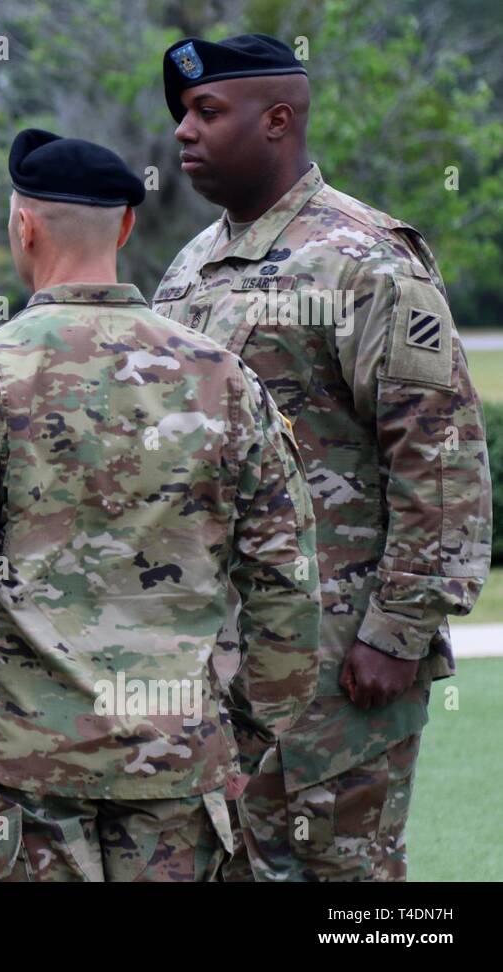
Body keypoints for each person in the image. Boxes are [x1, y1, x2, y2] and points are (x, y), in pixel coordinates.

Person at [0, 128, 321, 882]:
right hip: (180, 768)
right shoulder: (226, 379)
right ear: (125, 226)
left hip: (24, 780)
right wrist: (240, 738)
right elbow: (287, 581)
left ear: (23, 226)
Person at [154, 33, 492, 880]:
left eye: (205, 112)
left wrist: (399, 631)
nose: (182, 134)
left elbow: (439, 453)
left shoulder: (365, 259)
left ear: (276, 121)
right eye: (181, 117)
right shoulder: (189, 271)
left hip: (340, 659)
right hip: (215, 660)